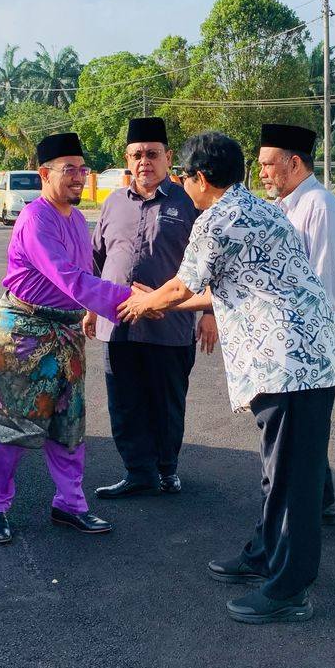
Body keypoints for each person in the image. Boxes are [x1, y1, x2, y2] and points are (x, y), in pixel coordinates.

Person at [120, 131, 335, 625]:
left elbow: (182, 286)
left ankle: (289, 589)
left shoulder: (217, 219)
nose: (181, 185)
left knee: (293, 482)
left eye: (183, 176)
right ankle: (265, 554)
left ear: (201, 178)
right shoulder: (258, 208)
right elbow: (231, 286)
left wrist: (145, 301)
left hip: (292, 365)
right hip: (297, 360)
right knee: (277, 472)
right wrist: (162, 301)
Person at [0, 131, 133, 545]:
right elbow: (67, 277)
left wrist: (90, 309)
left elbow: (84, 278)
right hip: (24, 331)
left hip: (64, 328)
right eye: (69, 170)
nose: (79, 177)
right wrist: (129, 299)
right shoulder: (34, 219)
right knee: (13, 422)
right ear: (44, 173)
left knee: (69, 419)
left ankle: (70, 504)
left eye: (83, 169)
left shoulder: (78, 219)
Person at [85, 117, 219, 499]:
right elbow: (97, 261)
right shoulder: (112, 204)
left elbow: (214, 263)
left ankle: (166, 469)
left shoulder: (188, 203)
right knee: (125, 401)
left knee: (167, 400)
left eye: (152, 154)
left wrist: (208, 314)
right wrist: (92, 308)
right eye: (137, 154)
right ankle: (137, 471)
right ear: (127, 159)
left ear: (168, 157)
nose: (145, 161)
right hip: (119, 324)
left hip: (170, 326)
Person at [257, 123, 335, 526]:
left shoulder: (320, 206)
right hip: (294, 328)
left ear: (293, 163)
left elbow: (322, 281)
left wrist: (299, 337)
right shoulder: (286, 206)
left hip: (317, 329)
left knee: (302, 429)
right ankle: (321, 500)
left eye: (267, 164)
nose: (261, 172)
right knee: (302, 429)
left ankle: (304, 513)